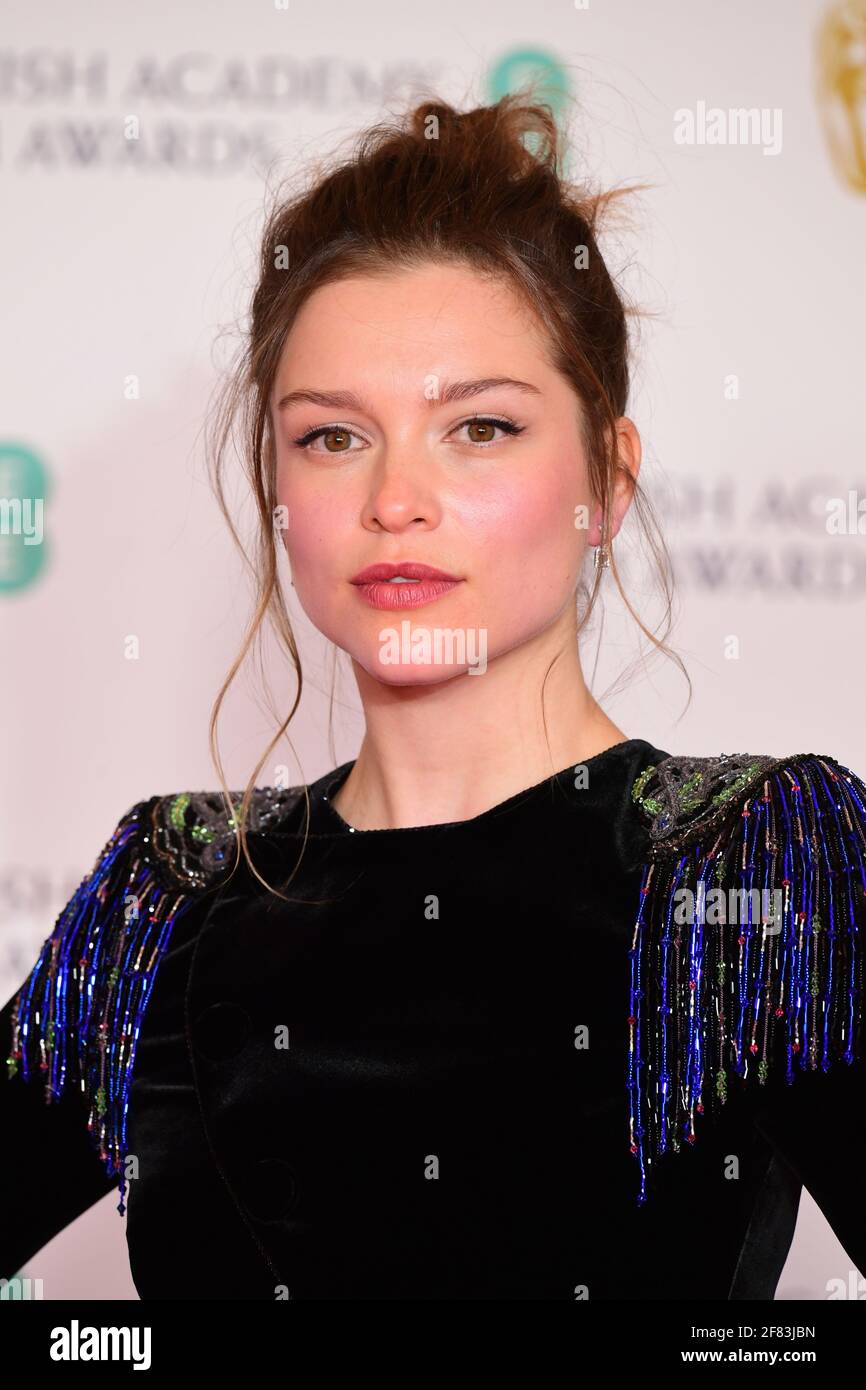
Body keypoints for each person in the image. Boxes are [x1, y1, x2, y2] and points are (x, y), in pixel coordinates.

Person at [2, 94, 865, 1301]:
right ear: (274, 487)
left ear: (605, 480)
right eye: (332, 438)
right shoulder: (168, 899)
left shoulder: (745, 864)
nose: (395, 497)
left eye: (478, 426)